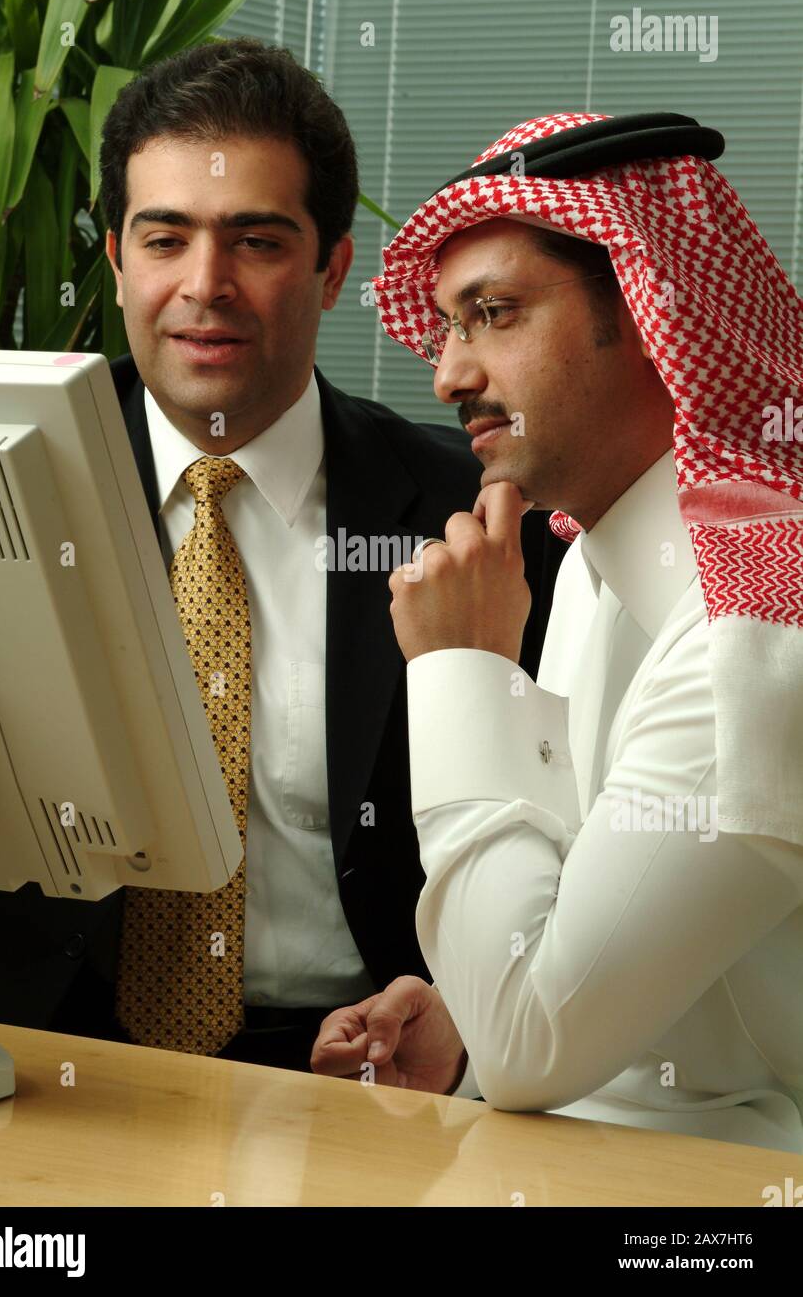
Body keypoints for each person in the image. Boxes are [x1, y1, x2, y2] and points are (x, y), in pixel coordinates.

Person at [0, 42, 567, 1075]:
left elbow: (573, 847)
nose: (203, 285)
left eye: (256, 241)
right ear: (113, 259)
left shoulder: (490, 514)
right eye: (163, 237)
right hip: (23, 1061)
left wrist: (455, 1012)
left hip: (361, 1076)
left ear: (331, 268)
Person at [311, 110, 803, 1151]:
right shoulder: (586, 564)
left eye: (493, 314)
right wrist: (465, 1023)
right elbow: (576, 961)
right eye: (448, 325)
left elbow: (537, 1038)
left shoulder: (760, 614)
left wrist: (460, 669)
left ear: (647, 303)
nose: (446, 376)